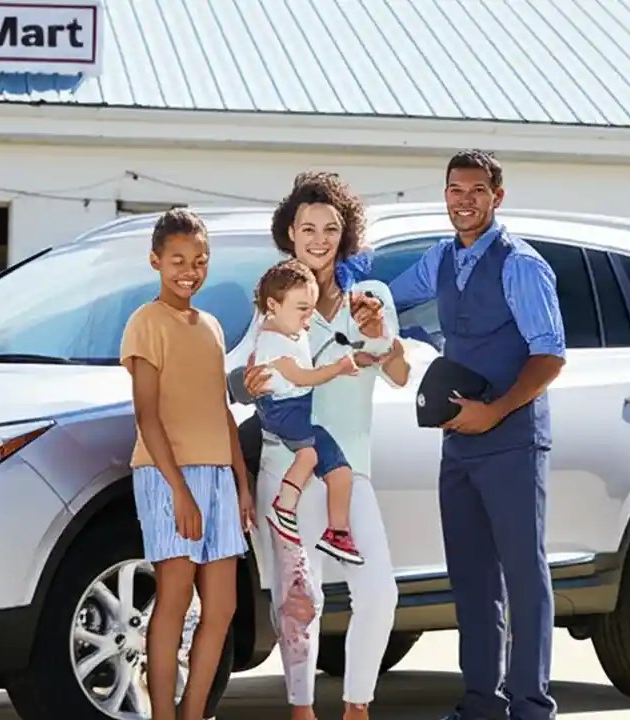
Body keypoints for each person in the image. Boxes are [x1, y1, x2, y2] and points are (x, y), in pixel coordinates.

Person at [387, 150, 566, 720]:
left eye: (477, 190)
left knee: (523, 574)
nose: (464, 200)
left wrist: (497, 409)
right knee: (470, 577)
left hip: (512, 440)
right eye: (454, 189)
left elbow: (550, 356)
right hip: (457, 442)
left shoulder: (521, 264)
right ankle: (480, 704)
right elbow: (386, 294)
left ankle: (531, 707)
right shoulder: (441, 258)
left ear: (497, 197)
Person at [230, 171, 410, 720]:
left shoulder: (369, 298)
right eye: (307, 227)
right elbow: (235, 379)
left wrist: (380, 336)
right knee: (298, 601)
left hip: (346, 470)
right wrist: (249, 383)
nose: (319, 238)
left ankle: (358, 707)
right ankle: (301, 710)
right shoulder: (275, 299)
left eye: (331, 228)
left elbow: (399, 374)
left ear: (345, 233)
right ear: (290, 231)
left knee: (379, 594)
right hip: (284, 470)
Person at [120, 208, 255, 720]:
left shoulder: (213, 326)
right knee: (173, 602)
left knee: (222, 608)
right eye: (178, 260)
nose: (189, 270)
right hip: (164, 474)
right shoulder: (145, 323)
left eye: (199, 260)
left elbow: (221, 411)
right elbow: (146, 416)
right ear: (156, 261)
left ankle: (193, 711)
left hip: (219, 476)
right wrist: (179, 490)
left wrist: (241, 484)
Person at [251, 258, 364, 564]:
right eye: (302, 308)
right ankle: (284, 507)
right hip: (283, 411)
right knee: (309, 455)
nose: (309, 316)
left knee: (340, 470)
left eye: (312, 307)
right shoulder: (272, 342)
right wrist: (337, 368)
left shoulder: (290, 330)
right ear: (273, 306)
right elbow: (302, 377)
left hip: (300, 408)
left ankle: (337, 532)